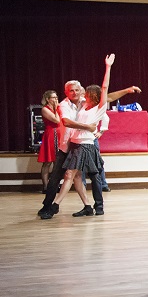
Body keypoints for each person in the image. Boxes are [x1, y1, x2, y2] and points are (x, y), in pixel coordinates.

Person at [38, 70, 141, 219]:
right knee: (61, 177)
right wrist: (89, 127)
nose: (74, 93)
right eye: (71, 90)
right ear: (66, 92)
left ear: (81, 91)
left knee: (83, 175)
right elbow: (66, 122)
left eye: (77, 90)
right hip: (68, 145)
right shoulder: (64, 105)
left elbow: (107, 95)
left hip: (83, 144)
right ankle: (54, 206)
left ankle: (87, 206)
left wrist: (126, 90)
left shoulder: (88, 102)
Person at [50, 54, 115, 217]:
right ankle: (88, 206)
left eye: (85, 92)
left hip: (86, 145)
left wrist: (108, 67)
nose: (82, 94)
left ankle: (57, 205)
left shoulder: (98, 108)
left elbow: (105, 88)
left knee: (82, 175)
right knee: (75, 175)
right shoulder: (84, 106)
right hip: (75, 144)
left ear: (92, 95)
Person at [37, 90, 60, 193]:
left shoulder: (58, 108)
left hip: (59, 134)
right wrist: (55, 108)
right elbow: (56, 120)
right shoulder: (45, 109)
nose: (55, 99)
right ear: (47, 99)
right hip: (50, 135)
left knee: (57, 162)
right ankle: (46, 186)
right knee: (47, 162)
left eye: (56, 97)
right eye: (53, 98)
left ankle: (55, 185)